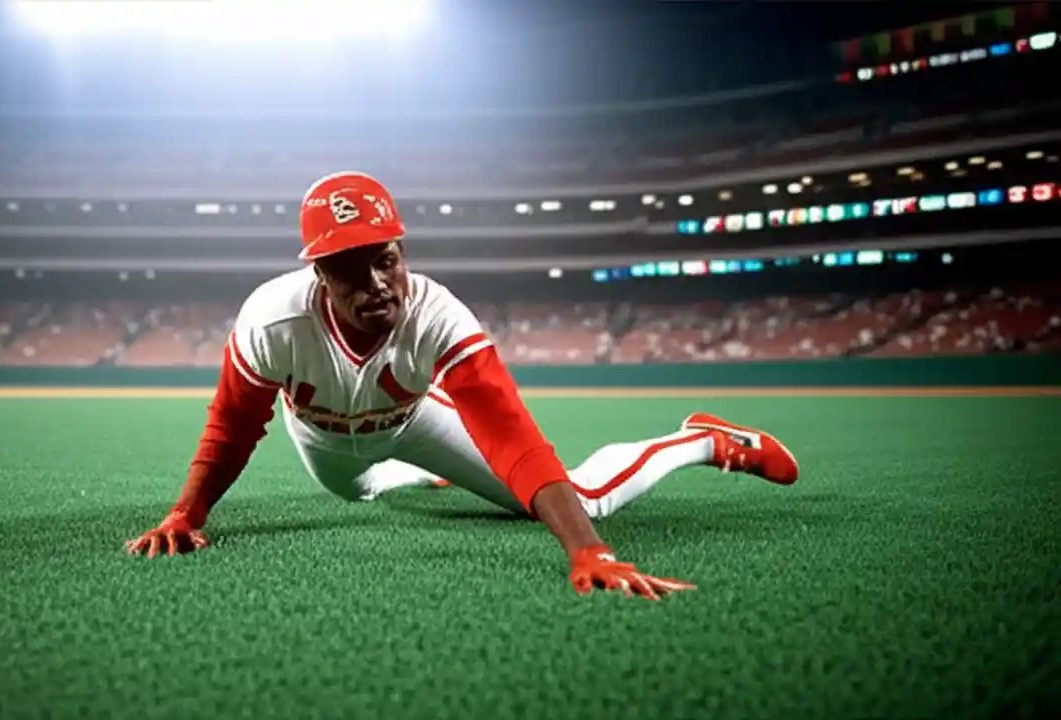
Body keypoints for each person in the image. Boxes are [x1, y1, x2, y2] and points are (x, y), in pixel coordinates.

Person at [125, 171, 799, 599]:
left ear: (403, 251)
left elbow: (512, 435)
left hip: (415, 417)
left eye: (386, 260)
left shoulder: (438, 316)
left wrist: (586, 551)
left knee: (583, 500)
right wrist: (187, 514)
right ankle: (429, 475)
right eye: (350, 272)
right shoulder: (273, 318)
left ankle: (704, 440)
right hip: (325, 443)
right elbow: (234, 425)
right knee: (358, 489)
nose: (377, 285)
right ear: (319, 276)